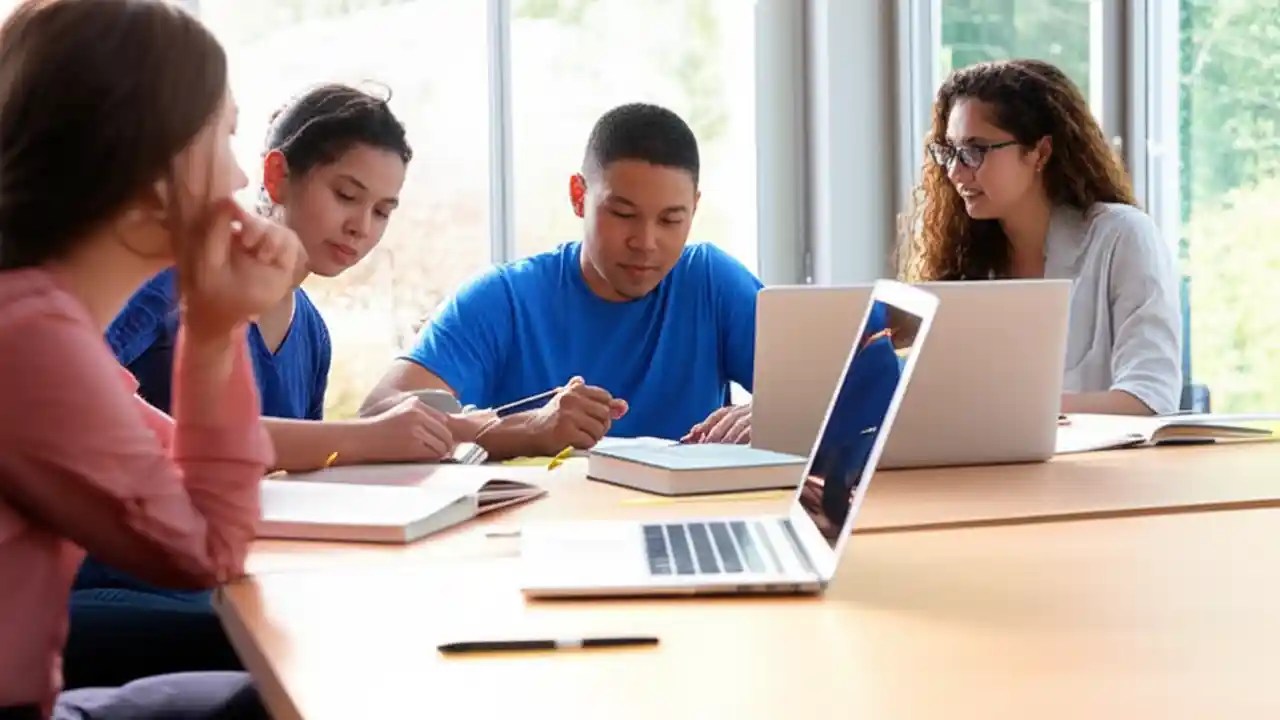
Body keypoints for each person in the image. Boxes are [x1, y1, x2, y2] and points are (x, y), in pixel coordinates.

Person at [62, 82, 456, 690]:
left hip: (230, 572)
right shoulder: (170, 277)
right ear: (276, 176)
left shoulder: (311, 332)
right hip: (119, 579)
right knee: (310, 649)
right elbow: (82, 404)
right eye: (346, 195)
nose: (360, 228)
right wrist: (365, 437)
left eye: (382, 211)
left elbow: (285, 476)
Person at [0, 0, 305, 717]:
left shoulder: (38, 322)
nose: (238, 181)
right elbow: (206, 551)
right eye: (225, 138)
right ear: (148, 168)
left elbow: (170, 459)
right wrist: (214, 331)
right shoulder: (28, 339)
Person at [361, 103, 762, 459]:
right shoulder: (504, 299)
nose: (645, 242)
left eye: (671, 220)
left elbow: (805, 397)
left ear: (694, 208)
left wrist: (767, 416)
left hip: (691, 517)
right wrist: (526, 430)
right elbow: (378, 415)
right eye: (623, 214)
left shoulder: (712, 283)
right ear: (578, 195)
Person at [899, 58, 1182, 415]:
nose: (955, 171)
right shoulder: (963, 261)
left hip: (1102, 453)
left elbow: (1150, 398)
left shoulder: (1122, 236)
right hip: (991, 450)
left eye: (974, 150)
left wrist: (1011, 411)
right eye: (950, 151)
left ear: (1040, 152)